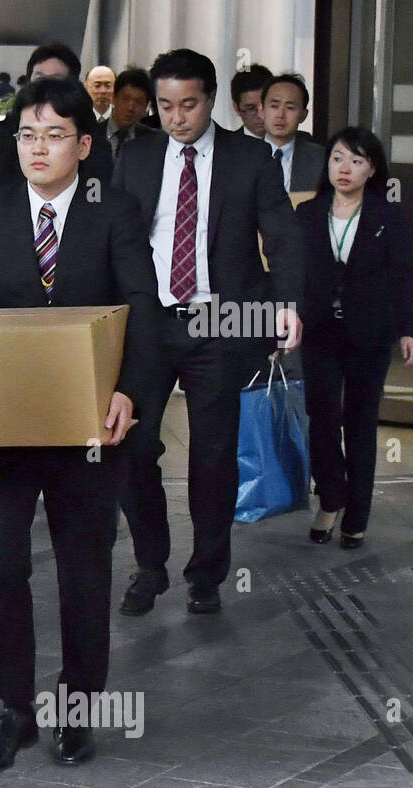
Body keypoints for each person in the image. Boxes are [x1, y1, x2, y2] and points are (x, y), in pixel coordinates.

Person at [0, 77, 159, 770]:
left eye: (51, 135)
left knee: (83, 564)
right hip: (9, 422)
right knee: (2, 561)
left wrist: (130, 391)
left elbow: (144, 310)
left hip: (88, 427)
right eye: (25, 135)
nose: (36, 148)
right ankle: (14, 707)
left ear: (82, 144)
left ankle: (78, 706)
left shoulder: (115, 212)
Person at [113, 48, 304, 616]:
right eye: (165, 105)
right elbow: (117, 239)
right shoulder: (138, 156)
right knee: (132, 447)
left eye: (188, 104)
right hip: (150, 322)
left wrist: (287, 306)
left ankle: (207, 572)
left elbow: (284, 237)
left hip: (220, 320)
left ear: (211, 98)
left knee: (215, 454)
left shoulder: (251, 160)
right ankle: (151, 566)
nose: (176, 117)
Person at [297, 127, 413, 549]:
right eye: (337, 158)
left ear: (372, 170)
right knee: (323, 417)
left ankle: (357, 513)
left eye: (356, 160)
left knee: (362, 423)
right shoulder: (309, 214)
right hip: (319, 332)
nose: (344, 168)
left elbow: (404, 276)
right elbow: (292, 275)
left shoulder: (387, 216)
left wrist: (408, 328)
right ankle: (331, 498)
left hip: (369, 333)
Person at [0, 43, 114, 186]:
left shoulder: (92, 139)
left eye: (55, 81)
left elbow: (96, 193)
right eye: (40, 80)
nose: (46, 89)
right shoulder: (0, 134)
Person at [262, 73, 325, 192]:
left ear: (304, 115)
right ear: (261, 110)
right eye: (274, 106)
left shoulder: (320, 159)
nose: (280, 115)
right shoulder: (242, 157)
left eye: (290, 108)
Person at [108, 66, 156, 159]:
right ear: (114, 98)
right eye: (125, 99)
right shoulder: (92, 134)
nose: (130, 108)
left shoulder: (152, 141)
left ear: (146, 106)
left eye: (138, 102)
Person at [230, 64, 273, 140]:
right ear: (236, 108)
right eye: (251, 109)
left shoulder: (299, 145)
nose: (260, 116)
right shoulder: (223, 149)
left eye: (265, 106)